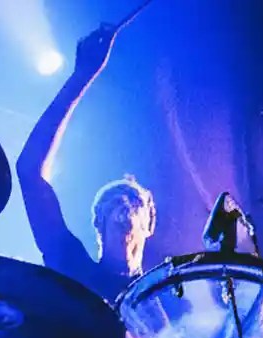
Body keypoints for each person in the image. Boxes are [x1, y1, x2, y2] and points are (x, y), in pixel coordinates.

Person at [16, 23, 157, 306]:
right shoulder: (73, 266)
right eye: (111, 200)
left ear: (150, 222)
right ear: (97, 221)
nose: (123, 202)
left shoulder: (168, 295)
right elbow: (29, 171)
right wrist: (81, 76)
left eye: (132, 198)